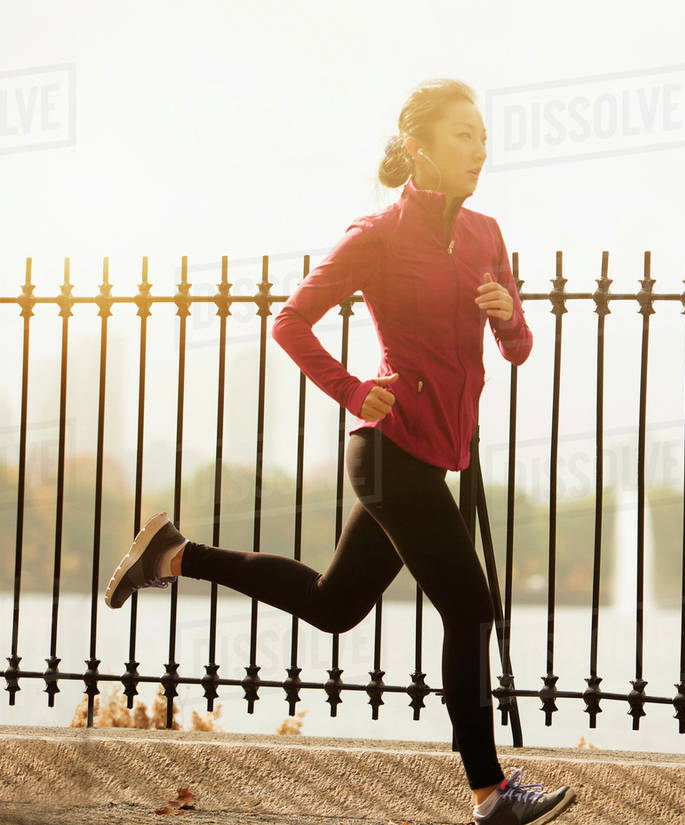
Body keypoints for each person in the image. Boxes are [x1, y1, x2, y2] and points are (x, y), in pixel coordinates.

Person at [103, 78, 577, 825]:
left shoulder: (486, 235)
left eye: (484, 138)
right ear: (419, 148)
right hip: (388, 451)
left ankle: (171, 553)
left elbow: (516, 349)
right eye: (463, 136)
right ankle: (490, 793)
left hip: (431, 458)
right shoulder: (378, 234)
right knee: (470, 604)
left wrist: (508, 314)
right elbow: (291, 322)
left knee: (333, 605)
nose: (479, 150)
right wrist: (354, 389)